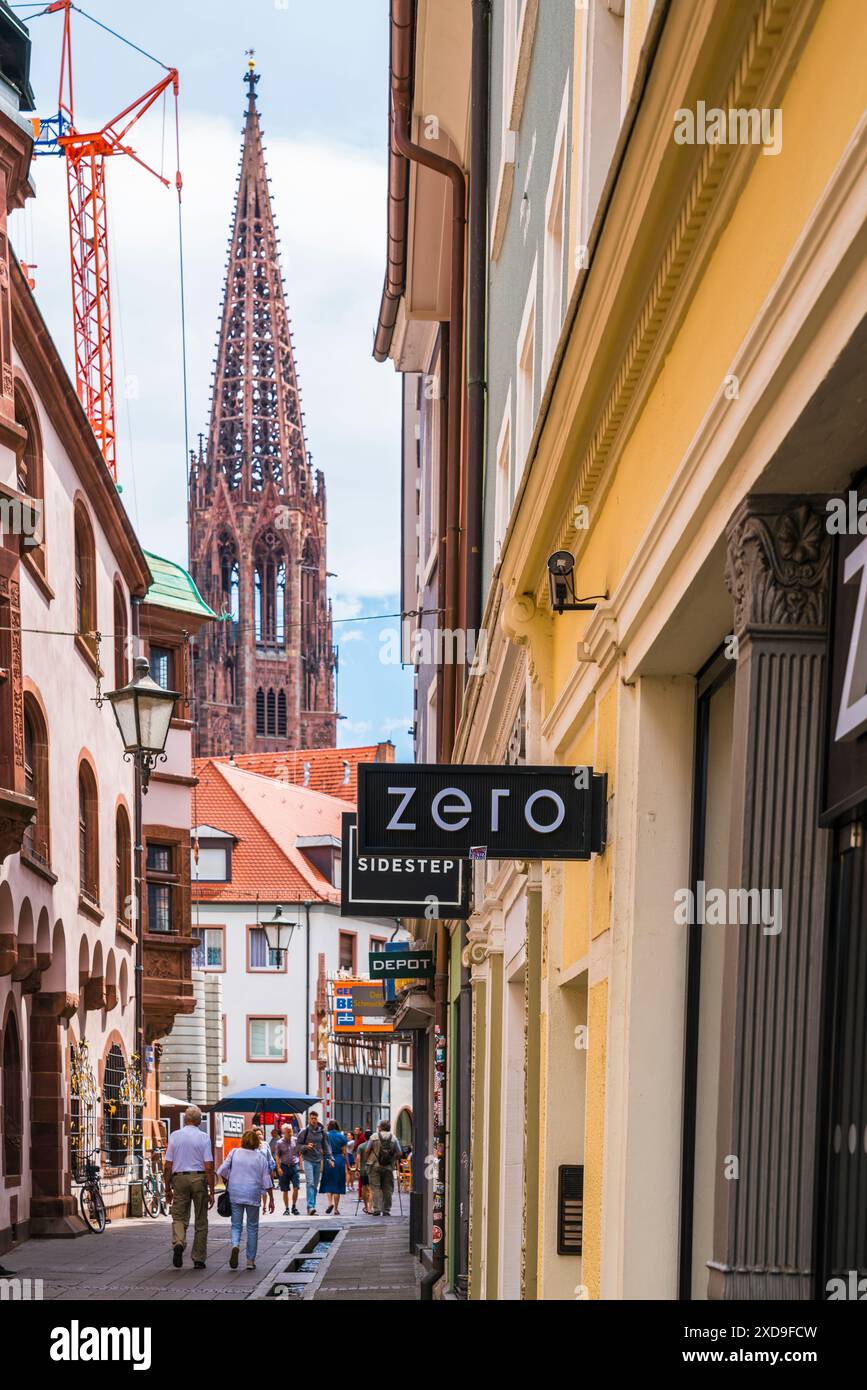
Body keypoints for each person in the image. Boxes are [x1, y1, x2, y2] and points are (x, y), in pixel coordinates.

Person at [163, 1105, 215, 1269]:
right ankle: (199, 1258)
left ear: (186, 1119)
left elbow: (168, 1165)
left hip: (179, 1179)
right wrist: (211, 1190)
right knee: (201, 1219)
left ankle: (179, 1241)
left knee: (178, 1216)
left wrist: (167, 1188)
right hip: (199, 1178)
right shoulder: (204, 1137)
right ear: (199, 1121)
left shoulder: (174, 1136)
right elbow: (208, 1166)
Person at [218, 1129, 274, 1271]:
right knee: (252, 1227)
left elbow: (222, 1170)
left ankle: (236, 1245)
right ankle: (250, 1260)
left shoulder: (234, 1152)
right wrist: (271, 1198)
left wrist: (227, 1181)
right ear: (256, 1142)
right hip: (253, 1194)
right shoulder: (260, 1157)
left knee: (236, 1225)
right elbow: (266, 1180)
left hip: (235, 1193)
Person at [296, 1110, 333, 1216]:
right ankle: (311, 1206)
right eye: (311, 1118)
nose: (313, 1120)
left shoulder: (322, 1132)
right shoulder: (304, 1131)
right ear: (309, 1119)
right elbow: (297, 1146)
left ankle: (312, 1207)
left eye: (315, 1118)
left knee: (315, 1185)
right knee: (310, 1183)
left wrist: (330, 1158)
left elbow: (326, 1146)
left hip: (318, 1160)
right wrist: (306, 1146)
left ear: (317, 1119)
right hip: (307, 1160)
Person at [365, 1119, 403, 1217]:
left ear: (380, 1127)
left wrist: (367, 1160)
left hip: (374, 1165)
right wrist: (392, 1159)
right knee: (388, 1189)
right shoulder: (394, 1138)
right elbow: (399, 1153)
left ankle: (376, 1209)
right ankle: (386, 1210)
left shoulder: (374, 1136)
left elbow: (367, 1150)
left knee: (375, 1187)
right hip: (388, 1167)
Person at [318, 1121, 349, 1216]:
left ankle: (329, 1203)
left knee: (328, 1183)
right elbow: (345, 1152)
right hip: (339, 1161)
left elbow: (322, 1151)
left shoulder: (325, 1136)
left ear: (329, 1126)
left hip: (328, 1160)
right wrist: (348, 1165)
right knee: (338, 1185)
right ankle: (336, 1209)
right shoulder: (342, 1137)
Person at [275, 1122, 301, 1216]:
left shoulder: (296, 1140)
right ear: (283, 1132)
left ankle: (294, 1206)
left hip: (294, 1166)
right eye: (288, 1132)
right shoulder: (279, 1143)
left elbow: (299, 1152)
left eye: (291, 1131)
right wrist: (278, 1168)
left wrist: (300, 1164)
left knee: (296, 1187)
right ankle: (286, 1209)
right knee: (285, 1189)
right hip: (284, 1167)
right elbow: (277, 1156)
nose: (290, 1133)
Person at [254, 1125, 277, 1213]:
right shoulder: (252, 1146)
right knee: (257, 1191)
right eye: (257, 1135)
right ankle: (257, 1206)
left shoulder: (265, 1144)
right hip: (255, 1172)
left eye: (260, 1134)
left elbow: (270, 1158)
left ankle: (264, 1206)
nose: (259, 1136)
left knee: (265, 1190)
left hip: (265, 1171)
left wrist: (272, 1169)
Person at [357, 1129, 372, 1214]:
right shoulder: (373, 1146)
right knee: (371, 1189)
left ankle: (366, 1207)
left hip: (363, 1170)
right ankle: (370, 1207)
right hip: (372, 1170)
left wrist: (356, 1168)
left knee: (364, 1188)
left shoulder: (361, 1146)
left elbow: (358, 1158)